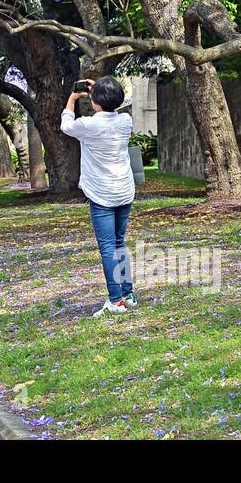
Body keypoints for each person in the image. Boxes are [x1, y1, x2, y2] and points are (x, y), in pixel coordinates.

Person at [61, 77, 136, 317]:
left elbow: (65, 125)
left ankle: (116, 301)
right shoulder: (126, 120)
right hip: (124, 190)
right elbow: (113, 108)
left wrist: (73, 98)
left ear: (95, 102)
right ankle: (128, 294)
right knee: (119, 243)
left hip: (102, 193)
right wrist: (103, 92)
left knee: (107, 248)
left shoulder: (88, 125)